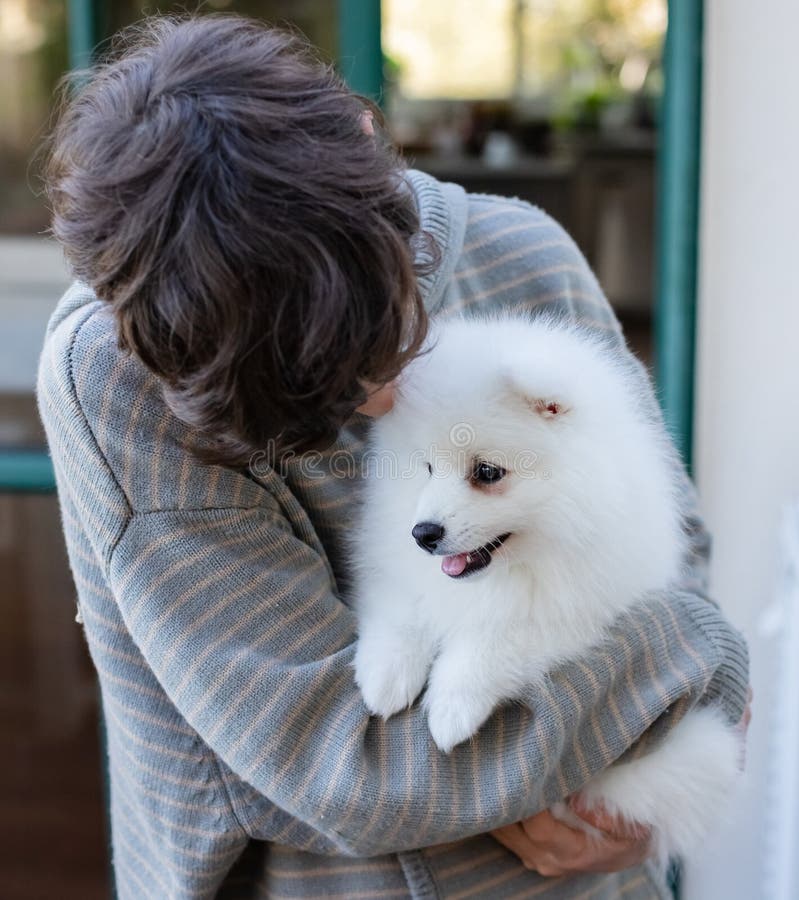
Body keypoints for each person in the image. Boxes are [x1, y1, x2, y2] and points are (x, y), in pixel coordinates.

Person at [39, 14, 749, 900]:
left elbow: (667, 546)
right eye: (313, 379)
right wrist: (690, 659)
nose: (380, 399)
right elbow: (348, 771)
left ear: (370, 143)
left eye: (385, 334)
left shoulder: (524, 256)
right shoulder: (119, 373)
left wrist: (634, 807)